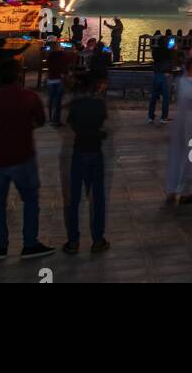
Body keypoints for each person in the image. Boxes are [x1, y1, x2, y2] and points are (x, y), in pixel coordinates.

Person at [0, 57, 53, 259]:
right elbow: (41, 120)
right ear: (19, 76)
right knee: (31, 200)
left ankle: (0, 246)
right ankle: (30, 243)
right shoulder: (29, 97)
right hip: (23, 155)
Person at [63, 72, 111, 254]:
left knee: (74, 199)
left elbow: (70, 126)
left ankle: (73, 241)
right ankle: (98, 239)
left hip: (78, 151)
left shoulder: (74, 106)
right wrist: (99, 134)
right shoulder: (100, 105)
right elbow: (106, 128)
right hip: (95, 151)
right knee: (97, 198)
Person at [165, 56, 192, 204]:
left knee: (188, 157)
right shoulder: (187, 83)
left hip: (191, 123)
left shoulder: (191, 82)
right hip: (191, 124)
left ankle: (184, 190)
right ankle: (183, 191)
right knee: (190, 157)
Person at [44, 41, 74, 126]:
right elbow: (67, 65)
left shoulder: (49, 56)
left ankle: (50, 118)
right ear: (58, 47)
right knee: (57, 101)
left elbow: (49, 67)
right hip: (59, 79)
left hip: (51, 79)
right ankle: (56, 120)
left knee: (51, 99)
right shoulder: (62, 55)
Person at [148, 33, 173, 124]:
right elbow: (172, 58)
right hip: (165, 75)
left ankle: (150, 116)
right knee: (165, 97)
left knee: (154, 97)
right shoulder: (168, 50)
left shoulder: (155, 51)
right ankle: (164, 117)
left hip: (156, 74)